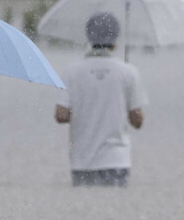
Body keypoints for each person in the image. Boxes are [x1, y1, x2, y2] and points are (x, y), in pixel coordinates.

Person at [55, 12, 147, 187]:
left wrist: (86, 108)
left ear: (88, 36)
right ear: (115, 38)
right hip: (117, 161)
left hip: (82, 161)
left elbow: (61, 115)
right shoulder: (129, 72)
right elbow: (138, 121)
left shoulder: (71, 72)